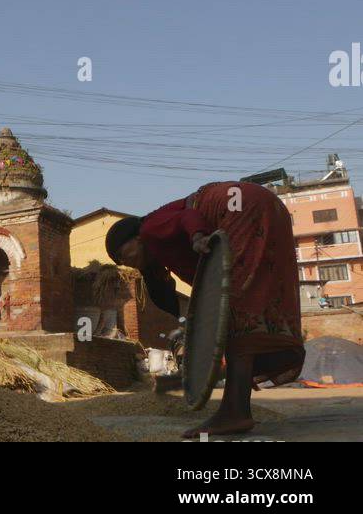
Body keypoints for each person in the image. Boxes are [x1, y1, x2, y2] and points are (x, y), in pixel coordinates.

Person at [105, 181, 304, 438]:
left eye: (123, 254)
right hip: (269, 207)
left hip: (239, 208)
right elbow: (206, 291)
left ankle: (235, 411)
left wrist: (198, 236)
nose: (125, 262)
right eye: (120, 261)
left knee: (236, 312)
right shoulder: (165, 254)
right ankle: (242, 393)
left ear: (136, 238)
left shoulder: (150, 228)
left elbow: (188, 217)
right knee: (255, 302)